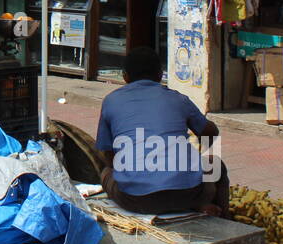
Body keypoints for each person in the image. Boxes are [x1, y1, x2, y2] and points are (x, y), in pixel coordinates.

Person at [95, 46, 228, 217]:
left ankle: (194, 203)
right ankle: (222, 216)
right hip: (188, 195)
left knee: (106, 172)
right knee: (216, 165)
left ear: (125, 76)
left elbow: (107, 153)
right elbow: (211, 133)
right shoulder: (177, 98)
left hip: (136, 200)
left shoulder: (111, 101)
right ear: (160, 75)